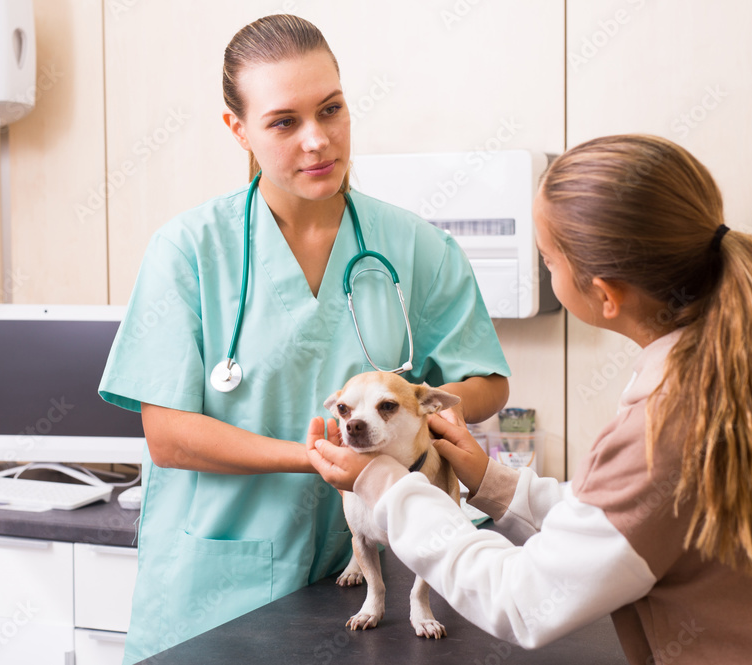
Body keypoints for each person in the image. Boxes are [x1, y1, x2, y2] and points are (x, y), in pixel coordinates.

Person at [308, 134, 752, 663]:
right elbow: (629, 518)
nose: (547, 271)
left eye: (548, 260)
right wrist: (492, 479)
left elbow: (522, 603)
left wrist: (388, 486)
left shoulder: (671, 425)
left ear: (605, 295)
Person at [98, 14, 510, 664]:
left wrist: (416, 410)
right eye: (284, 121)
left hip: (363, 580)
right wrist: (320, 455)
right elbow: (169, 435)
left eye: (332, 109)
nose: (318, 140)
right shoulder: (189, 251)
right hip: (215, 586)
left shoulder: (413, 245)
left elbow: (486, 379)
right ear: (239, 130)